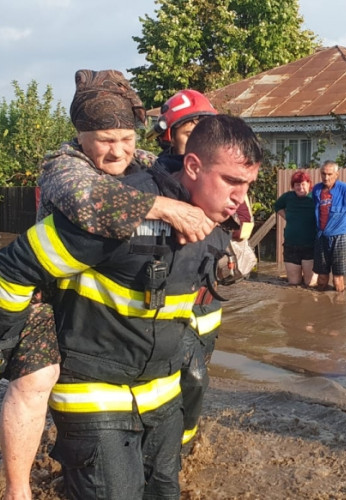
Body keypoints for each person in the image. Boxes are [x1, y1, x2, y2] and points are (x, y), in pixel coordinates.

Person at [0, 70, 262, 499]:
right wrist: (162, 211)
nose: (118, 150)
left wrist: (225, 258)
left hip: (155, 385)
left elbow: (172, 176)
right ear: (82, 135)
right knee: (32, 382)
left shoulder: (163, 176)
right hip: (61, 327)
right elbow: (28, 258)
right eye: (106, 139)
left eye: (126, 138)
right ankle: (17, 488)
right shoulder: (70, 173)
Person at [150, 89, 255, 450]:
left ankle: (184, 438)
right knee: (185, 376)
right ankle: (169, 444)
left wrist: (236, 250)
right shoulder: (153, 179)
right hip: (167, 297)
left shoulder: (226, 179)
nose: (195, 133)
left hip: (205, 299)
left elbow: (242, 224)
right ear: (170, 135)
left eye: (202, 125)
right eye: (187, 128)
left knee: (197, 375)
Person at [312, 161, 346, 293]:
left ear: (336, 174)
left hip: (339, 237)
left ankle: (339, 307)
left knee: (338, 278)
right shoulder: (316, 189)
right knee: (321, 277)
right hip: (321, 237)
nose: (326, 177)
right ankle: (320, 306)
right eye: (323, 174)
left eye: (329, 174)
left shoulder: (345, 190)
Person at [274, 170, 317, 286]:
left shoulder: (315, 197)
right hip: (291, 245)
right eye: (297, 184)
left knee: (310, 283)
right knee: (294, 283)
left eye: (303, 184)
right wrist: (288, 217)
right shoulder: (288, 197)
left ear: (309, 184)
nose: (300, 187)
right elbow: (277, 206)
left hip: (311, 245)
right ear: (293, 186)